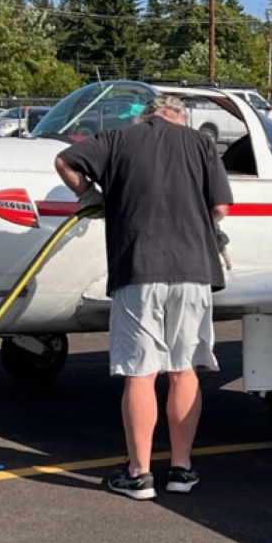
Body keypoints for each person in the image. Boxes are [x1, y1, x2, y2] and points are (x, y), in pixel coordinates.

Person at [55, 94, 233, 500]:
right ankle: (181, 470)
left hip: (137, 269)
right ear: (180, 118)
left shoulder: (119, 138)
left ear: (147, 116)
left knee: (140, 372)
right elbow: (220, 206)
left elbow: (65, 161)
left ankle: (138, 474)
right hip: (194, 272)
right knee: (183, 369)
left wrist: (90, 197)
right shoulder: (201, 143)